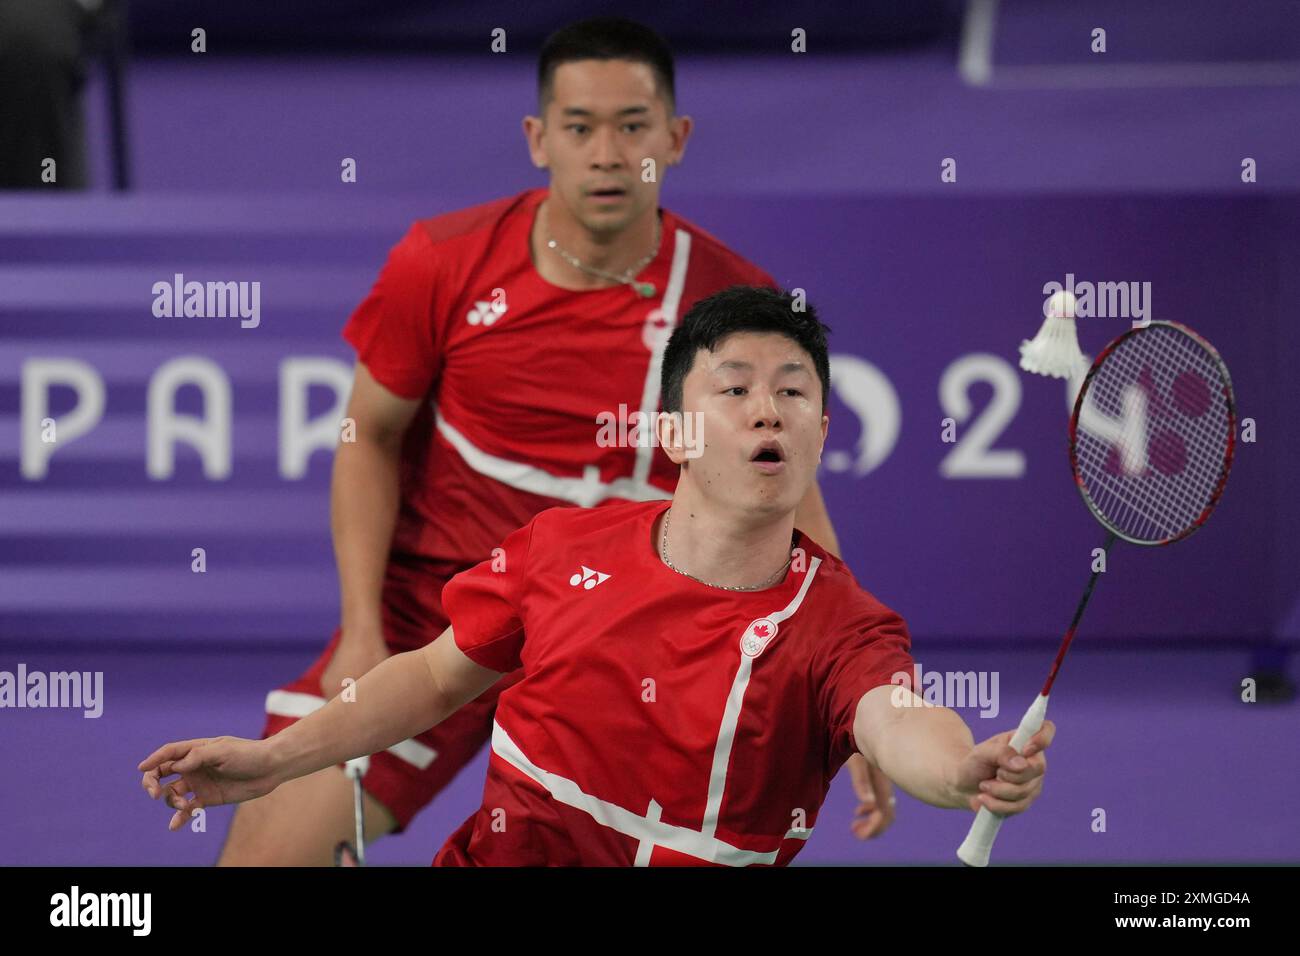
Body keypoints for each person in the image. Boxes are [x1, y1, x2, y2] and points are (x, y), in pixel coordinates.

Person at [218, 16, 894, 865]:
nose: (607, 154)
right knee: (267, 852)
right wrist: (360, 628)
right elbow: (369, 438)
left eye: (633, 126)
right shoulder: (441, 262)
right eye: (580, 128)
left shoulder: (727, 301)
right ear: (539, 140)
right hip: (434, 614)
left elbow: (792, 503)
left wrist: (856, 699)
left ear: (675, 139)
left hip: (623, 632)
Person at [142, 285, 1054, 866]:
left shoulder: (844, 628)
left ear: (822, 431)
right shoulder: (562, 553)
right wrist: (272, 760)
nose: (766, 408)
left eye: (794, 390)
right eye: (732, 389)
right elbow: (429, 678)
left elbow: (900, 723)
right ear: (671, 435)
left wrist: (961, 768)